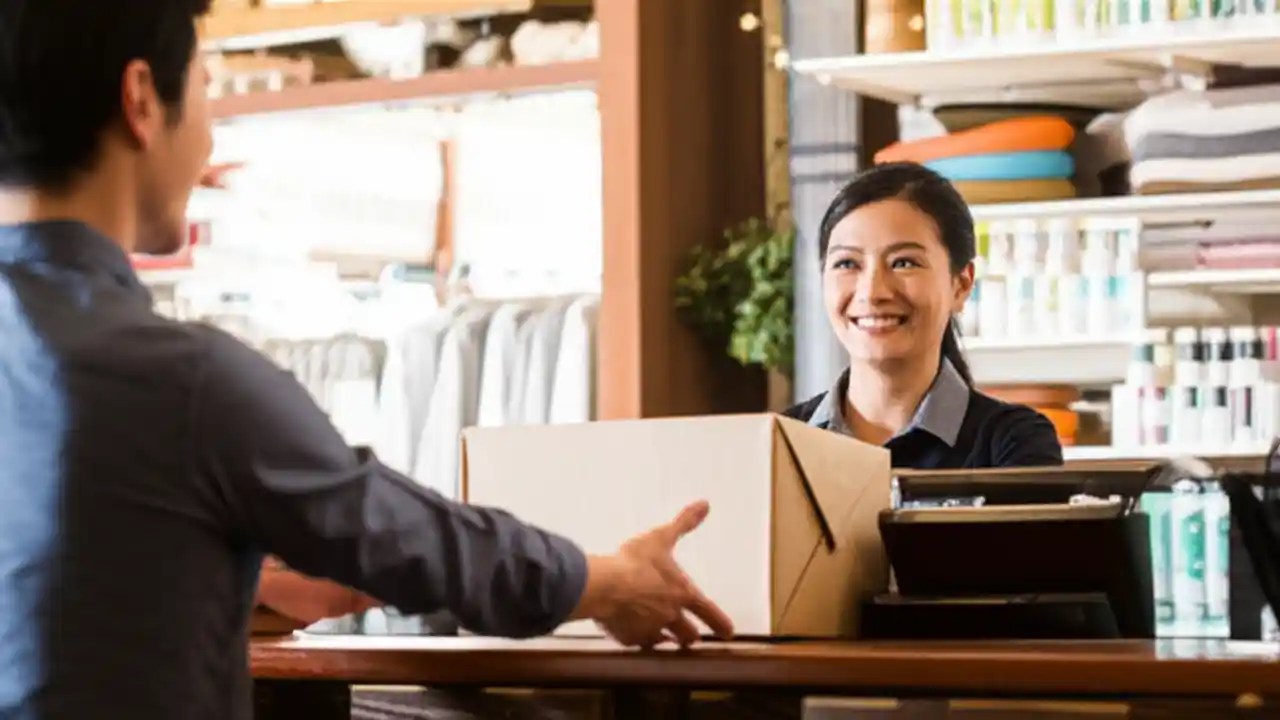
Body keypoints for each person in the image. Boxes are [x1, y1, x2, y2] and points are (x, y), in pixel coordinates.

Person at [0, 2, 732, 718]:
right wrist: (611, 580)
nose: (208, 137)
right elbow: (414, 542)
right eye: (204, 88)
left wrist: (242, 582)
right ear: (140, 99)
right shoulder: (183, 382)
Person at [785, 163, 1064, 469]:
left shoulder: (1011, 442)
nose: (872, 291)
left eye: (904, 262)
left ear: (961, 284)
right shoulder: (782, 443)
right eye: (847, 263)